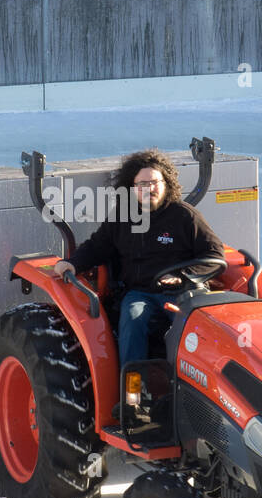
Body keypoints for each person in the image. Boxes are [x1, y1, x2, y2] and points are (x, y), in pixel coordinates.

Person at [53, 148, 226, 369]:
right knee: (132, 319)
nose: (149, 188)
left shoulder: (185, 216)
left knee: (196, 330)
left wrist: (184, 277)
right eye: (142, 184)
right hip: (141, 293)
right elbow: (97, 246)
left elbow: (214, 255)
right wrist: (73, 263)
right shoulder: (122, 216)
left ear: (166, 183)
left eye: (155, 182)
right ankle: (132, 390)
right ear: (132, 188)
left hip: (185, 292)